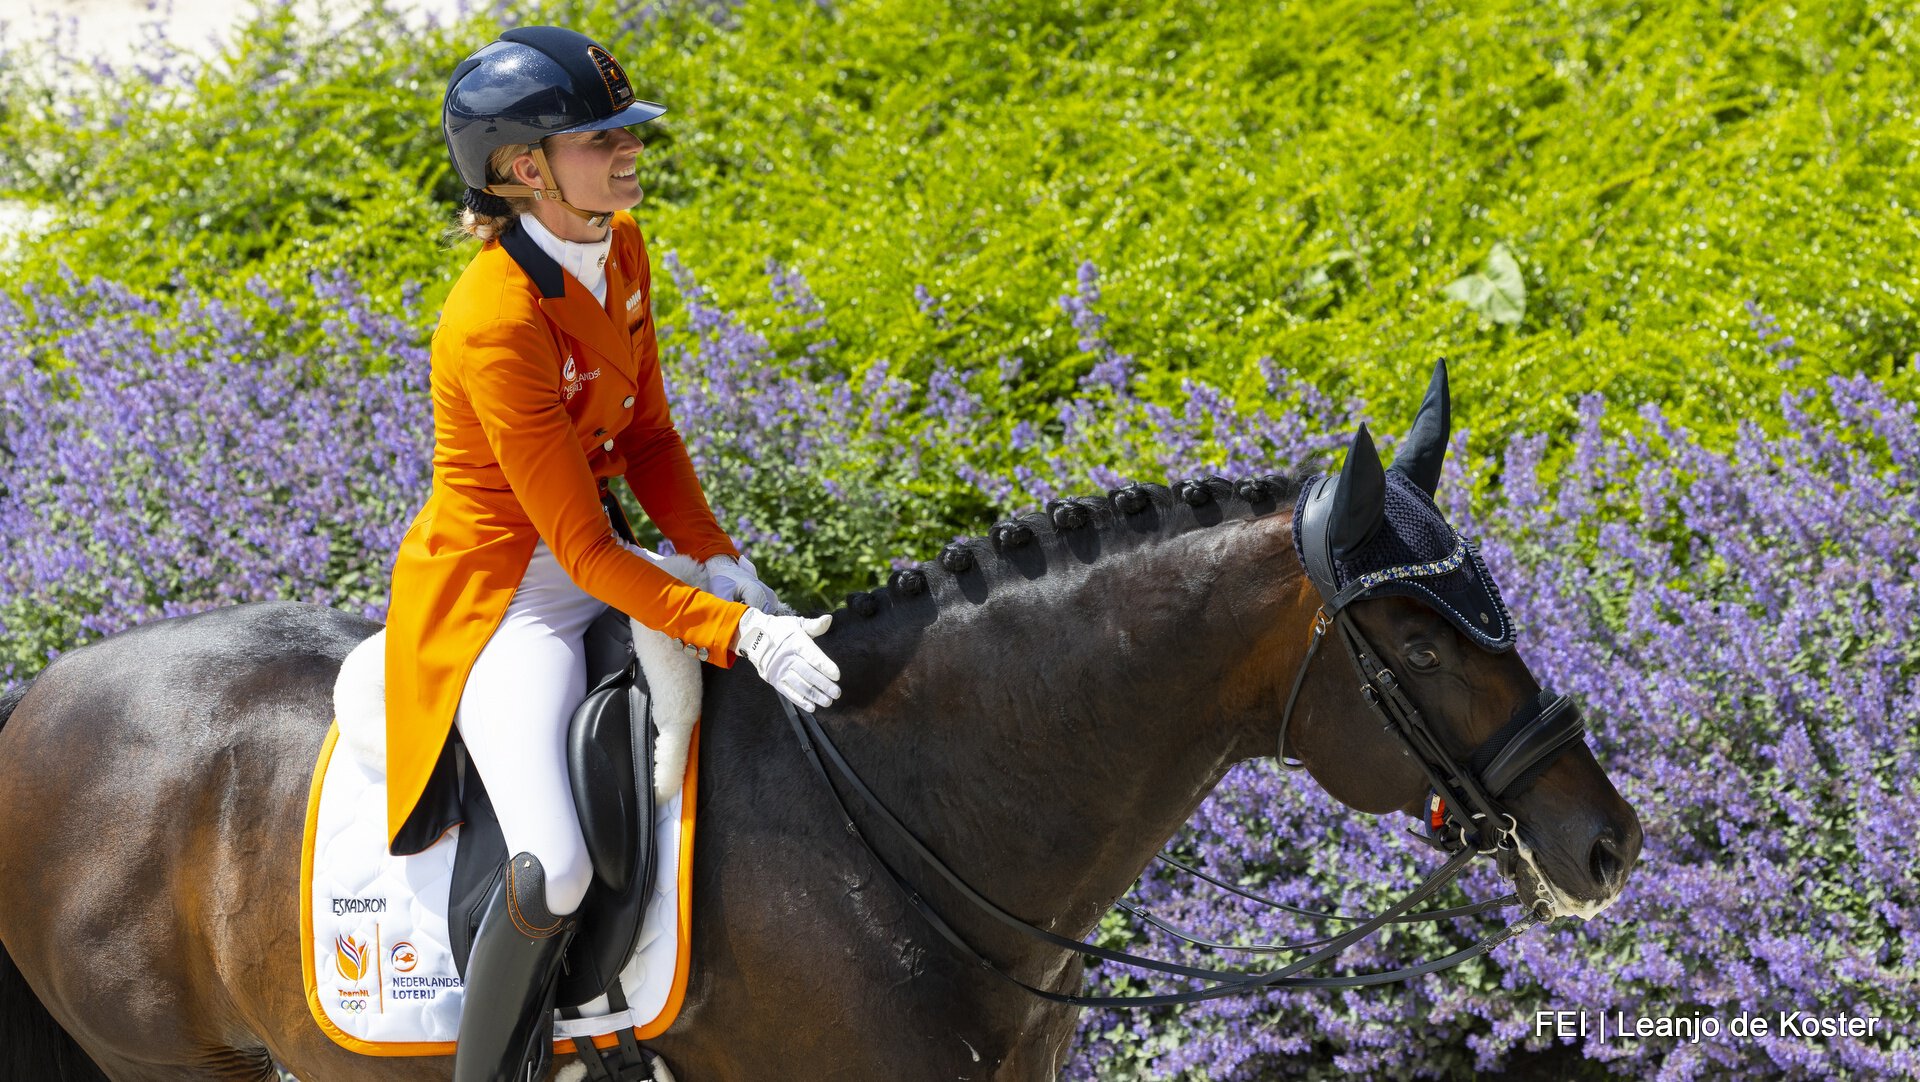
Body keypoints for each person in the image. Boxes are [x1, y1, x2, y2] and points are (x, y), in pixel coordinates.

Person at [383, 26, 842, 1082]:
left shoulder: (619, 243)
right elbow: (581, 552)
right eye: (598, 137)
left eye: (626, 132)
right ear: (520, 168)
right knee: (556, 861)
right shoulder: (494, 318)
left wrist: (718, 558)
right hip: (506, 600)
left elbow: (647, 438)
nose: (628, 151)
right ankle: (493, 1068)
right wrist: (735, 631)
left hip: (599, 560)